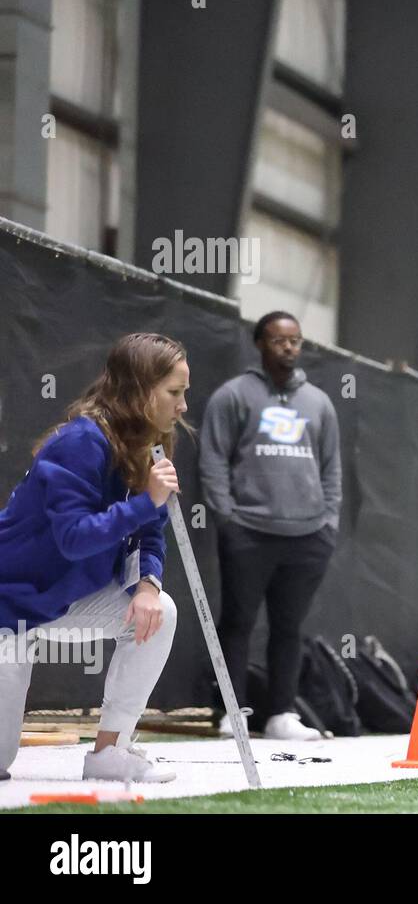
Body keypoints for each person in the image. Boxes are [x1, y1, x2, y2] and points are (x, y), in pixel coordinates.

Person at [0, 333, 187, 783]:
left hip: (64, 597)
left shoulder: (147, 446)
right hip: (9, 600)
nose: (183, 406)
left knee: (159, 610)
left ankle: (110, 752)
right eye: (175, 393)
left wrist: (146, 586)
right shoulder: (79, 442)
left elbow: (149, 533)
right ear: (141, 391)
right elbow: (73, 538)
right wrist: (148, 501)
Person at [200, 311, 341, 741]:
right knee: (238, 622)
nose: (289, 347)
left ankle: (282, 714)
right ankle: (232, 712)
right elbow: (213, 459)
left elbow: (331, 467)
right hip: (248, 532)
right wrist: (227, 517)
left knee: (289, 628)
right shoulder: (233, 395)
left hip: (307, 536)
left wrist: (328, 521)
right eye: (280, 340)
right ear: (260, 343)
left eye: (296, 340)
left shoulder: (318, 403)